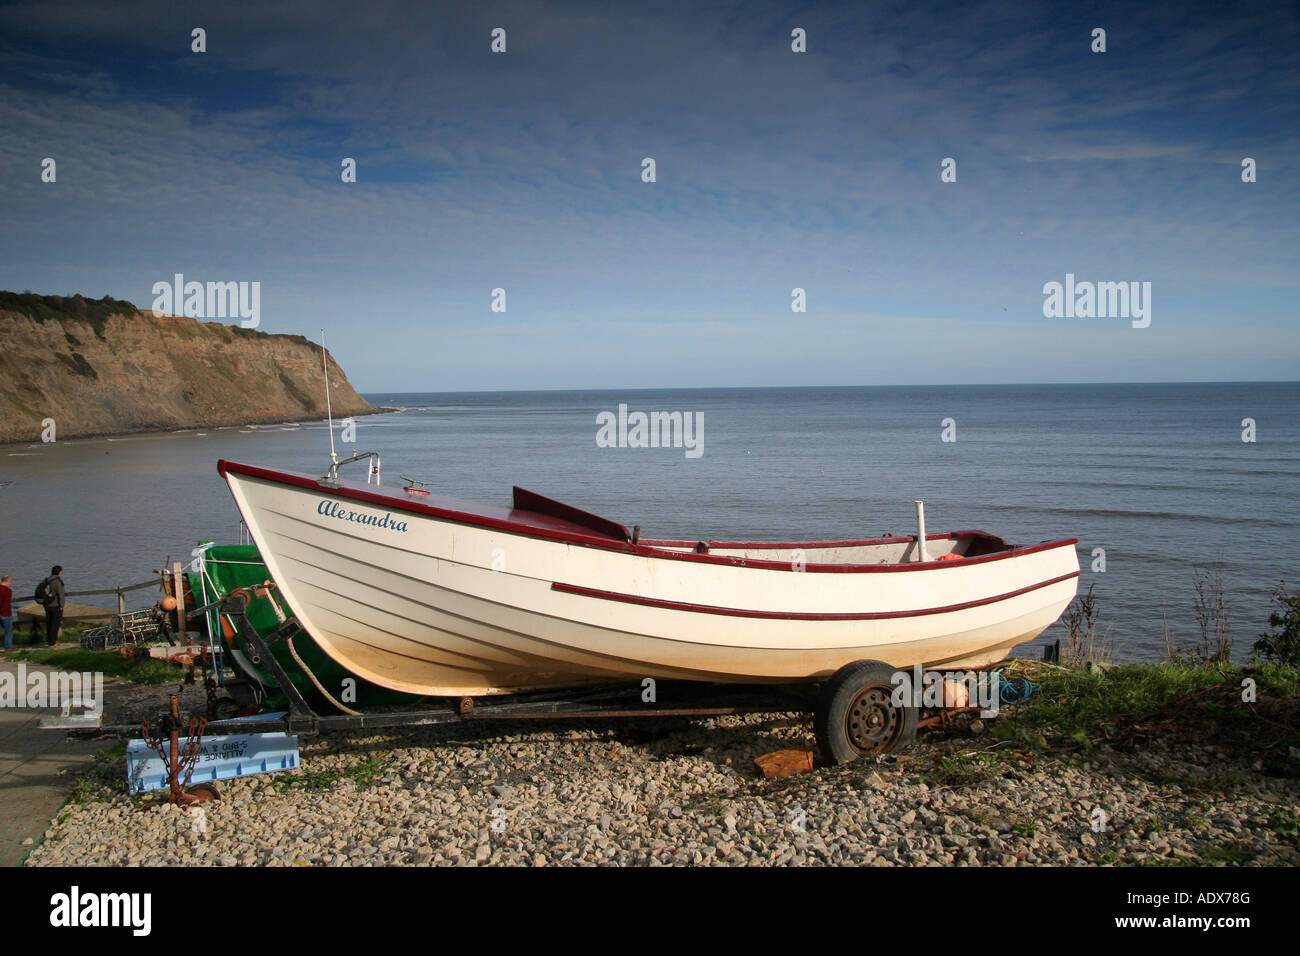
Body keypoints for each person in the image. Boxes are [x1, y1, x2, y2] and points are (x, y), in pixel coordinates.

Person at [39, 565, 65, 647]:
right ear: (59, 572)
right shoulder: (57, 582)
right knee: (55, 624)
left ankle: (50, 640)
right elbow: (61, 595)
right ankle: (53, 642)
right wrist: (62, 605)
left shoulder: (46, 580)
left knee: (49, 623)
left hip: (47, 605)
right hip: (55, 605)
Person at [0, 574, 12, 651]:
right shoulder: (8, 590)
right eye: (10, 581)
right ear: (7, 581)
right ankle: (8, 648)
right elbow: (6, 603)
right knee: (8, 632)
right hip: (5, 614)